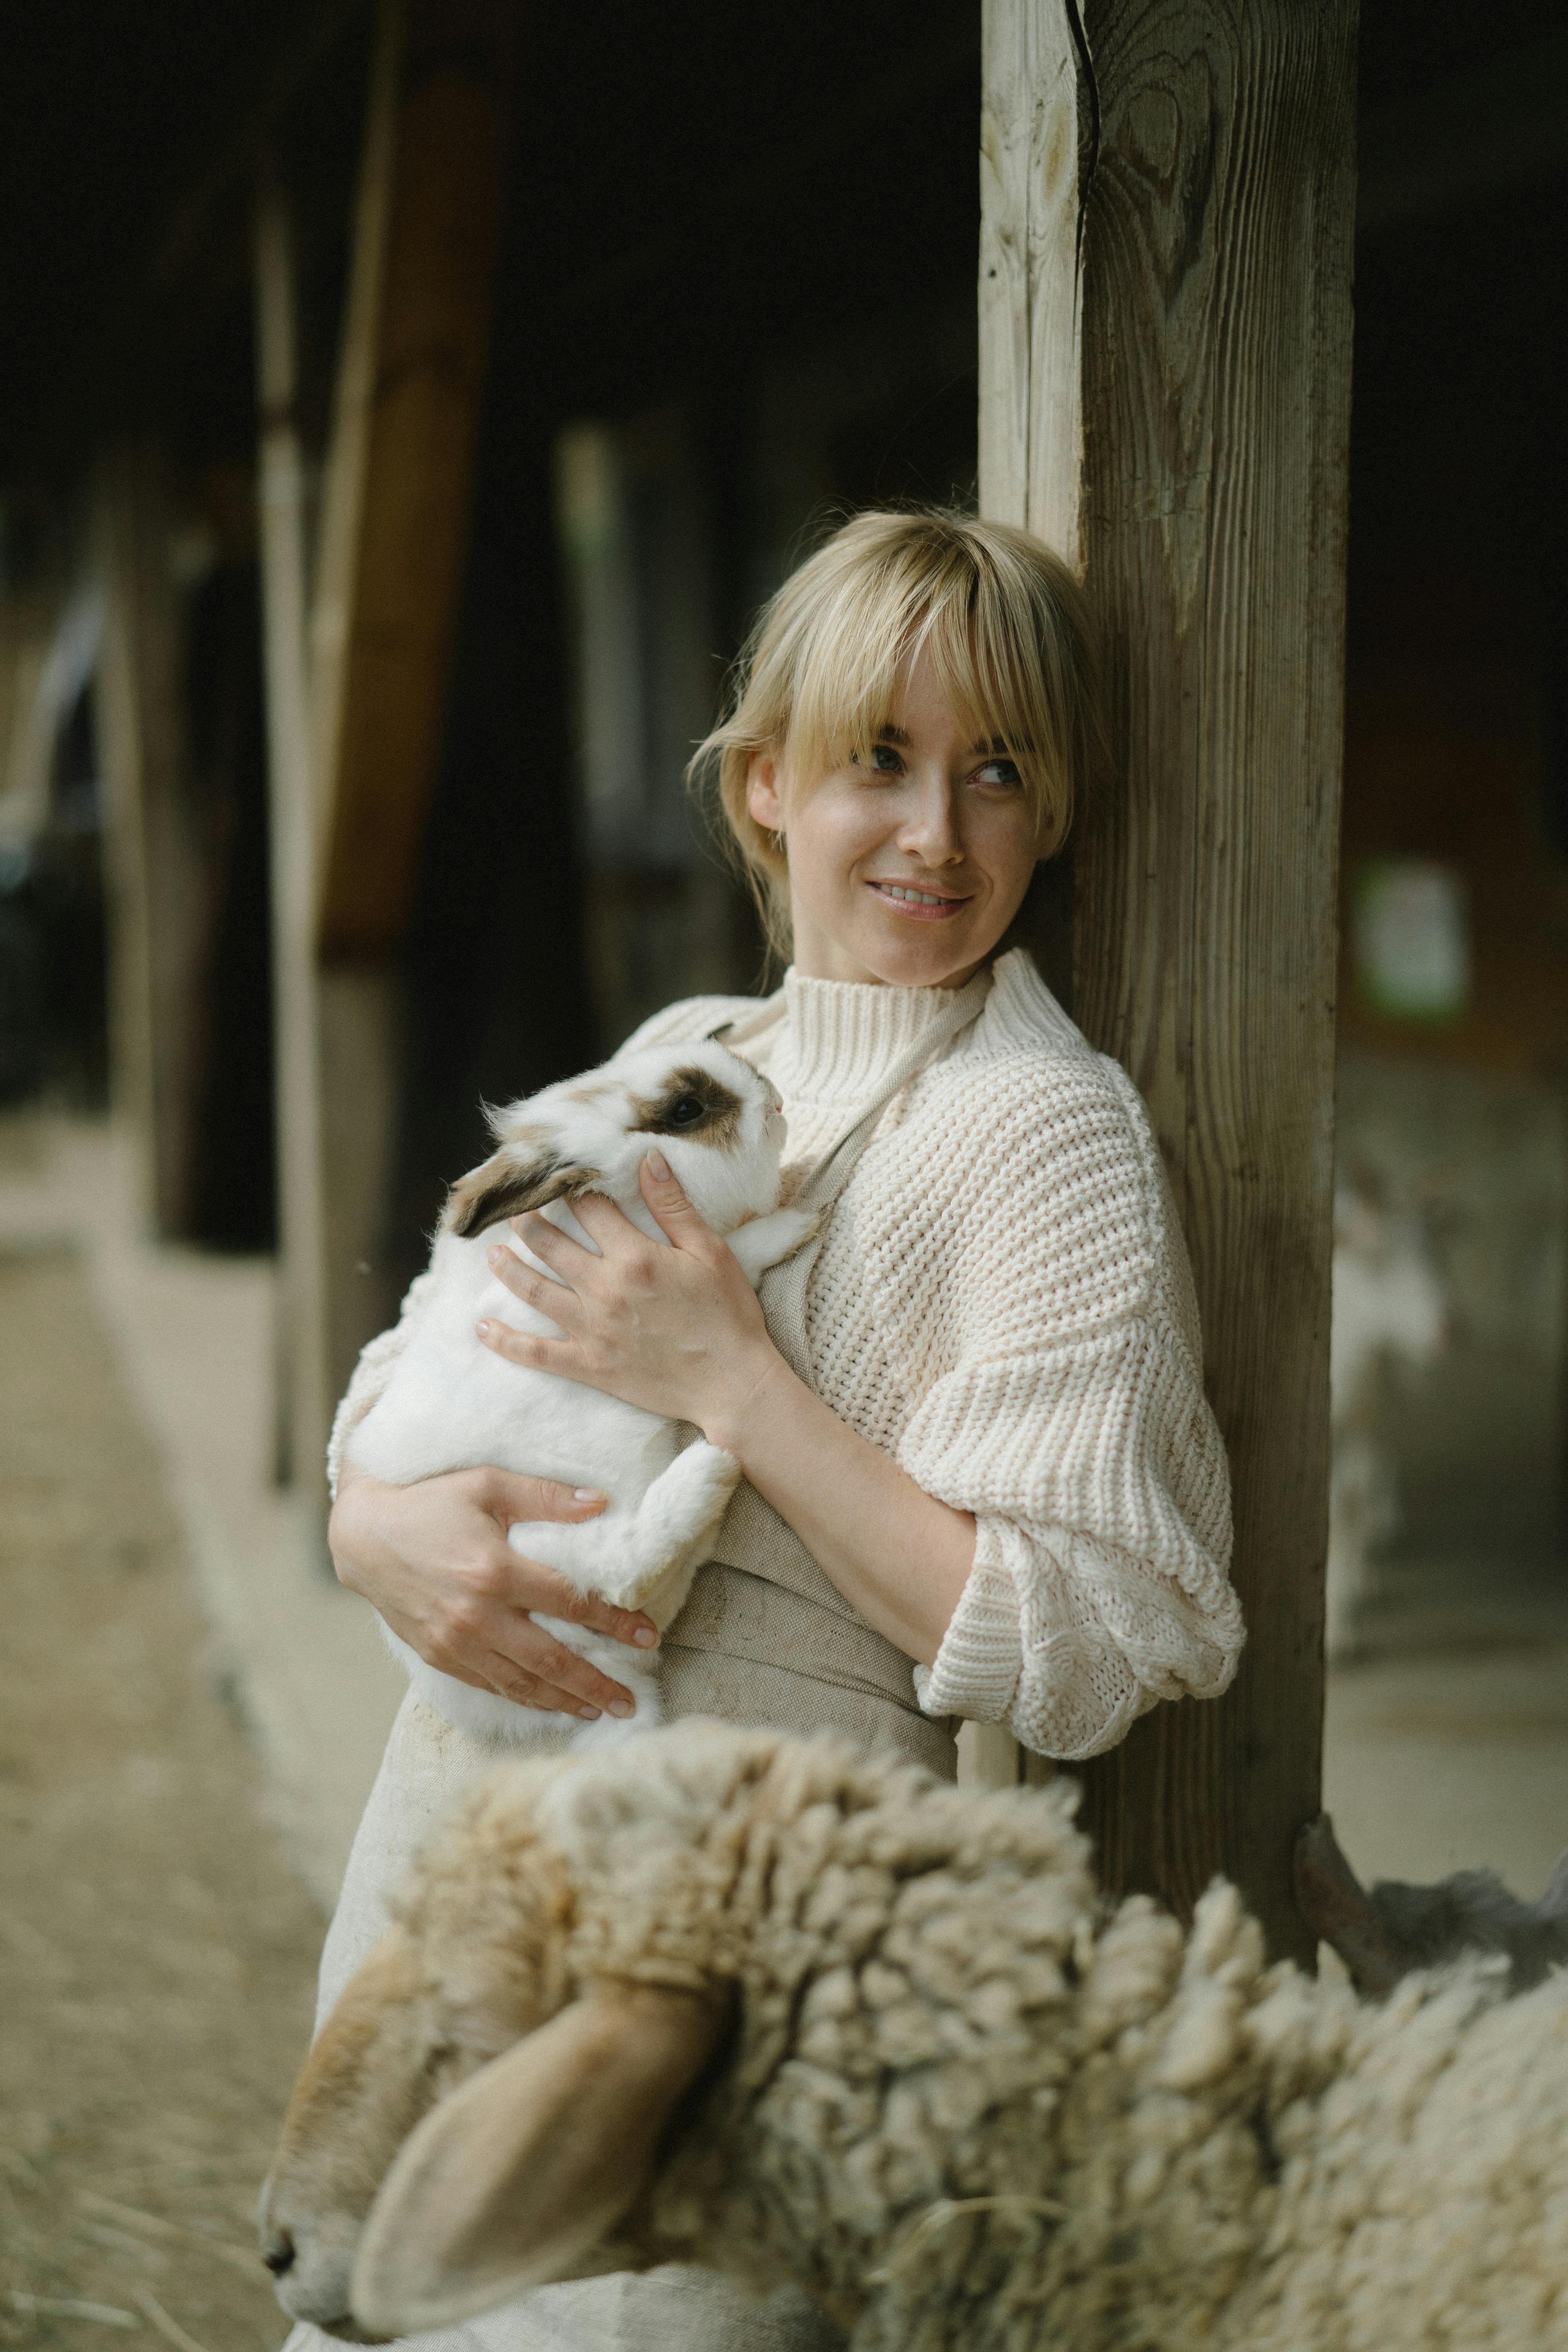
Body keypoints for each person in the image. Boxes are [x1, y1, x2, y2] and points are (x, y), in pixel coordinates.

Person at [289, 510, 1244, 2352]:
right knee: (364, 2299)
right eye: (878, 761)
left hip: (736, 1956)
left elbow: (1093, 1634)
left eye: (998, 774)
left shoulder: (1043, 1135)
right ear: (762, 789)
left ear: (1054, 811)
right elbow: (437, 1326)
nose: (937, 834)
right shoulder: (695, 1042)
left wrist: (736, 1385)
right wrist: (365, 1524)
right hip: (458, 1853)